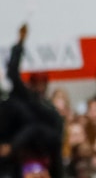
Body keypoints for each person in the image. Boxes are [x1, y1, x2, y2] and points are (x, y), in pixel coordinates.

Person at [2, 26, 63, 178]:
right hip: (17, 160)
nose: (40, 86)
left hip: (44, 159)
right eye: (36, 82)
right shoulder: (25, 97)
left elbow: (52, 137)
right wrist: (20, 43)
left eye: (43, 82)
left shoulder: (50, 110)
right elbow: (13, 72)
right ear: (31, 83)